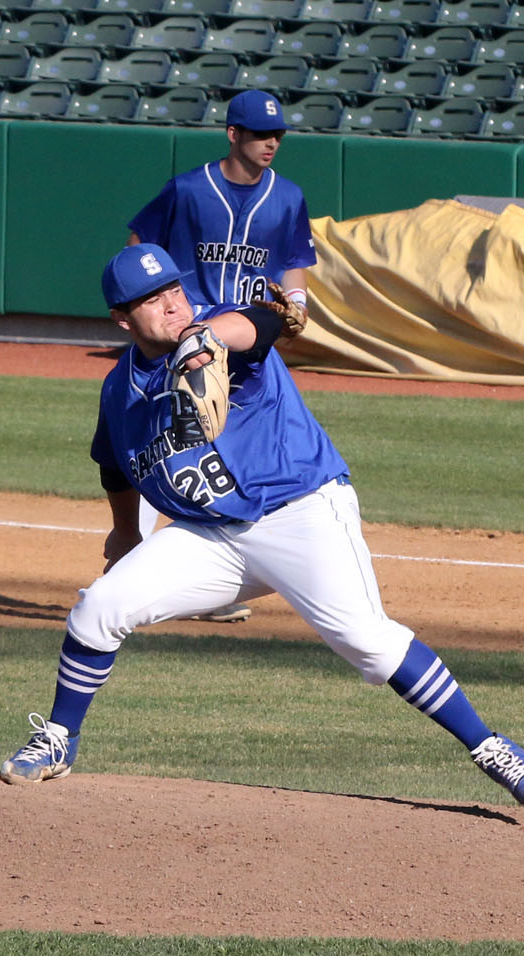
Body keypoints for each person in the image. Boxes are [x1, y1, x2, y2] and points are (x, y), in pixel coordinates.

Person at [0, 244, 524, 812]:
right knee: (98, 607)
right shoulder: (119, 388)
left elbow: (260, 323)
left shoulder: (215, 331)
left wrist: (205, 341)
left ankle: (490, 746)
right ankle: (59, 740)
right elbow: (113, 463)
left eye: (172, 289)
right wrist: (125, 533)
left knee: (366, 640)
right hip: (211, 536)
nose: (170, 304)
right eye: (150, 299)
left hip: (301, 512)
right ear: (122, 318)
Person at [126, 88, 316, 624]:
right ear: (233, 134)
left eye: (276, 134)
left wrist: (295, 305)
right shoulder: (188, 190)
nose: (270, 143)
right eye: (259, 134)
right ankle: (129, 569)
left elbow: (295, 262)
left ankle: (214, 583)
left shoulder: (288, 197)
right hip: (184, 340)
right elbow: (138, 248)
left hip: (248, 341)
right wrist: (153, 314)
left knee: (243, 451)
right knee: (162, 443)